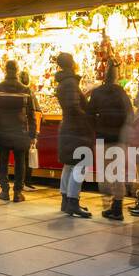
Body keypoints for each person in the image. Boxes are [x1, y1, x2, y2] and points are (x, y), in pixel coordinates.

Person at [86, 60, 133, 221]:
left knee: (106, 172)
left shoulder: (98, 92)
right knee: (117, 172)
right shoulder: (121, 92)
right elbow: (130, 114)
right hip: (119, 138)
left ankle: (110, 204)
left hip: (103, 137)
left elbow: (89, 114)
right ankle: (117, 205)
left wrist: (97, 127)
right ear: (117, 76)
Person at [0, 60, 35, 202]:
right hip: (20, 131)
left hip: (3, 130)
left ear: (4, 70)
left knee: (3, 160)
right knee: (20, 161)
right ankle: (18, 192)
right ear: (17, 70)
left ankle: (4, 191)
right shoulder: (25, 90)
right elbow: (31, 114)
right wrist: (32, 134)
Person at [54, 52, 93, 218]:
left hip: (68, 127)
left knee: (69, 165)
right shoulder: (70, 83)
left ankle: (66, 200)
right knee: (80, 164)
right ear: (72, 63)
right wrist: (88, 117)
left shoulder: (65, 82)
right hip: (76, 129)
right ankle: (72, 201)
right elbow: (73, 107)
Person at [18, 70, 41, 190]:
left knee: (21, 157)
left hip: (17, 128)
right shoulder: (29, 92)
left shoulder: (16, 91)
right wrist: (34, 133)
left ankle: (21, 183)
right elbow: (36, 111)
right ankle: (26, 182)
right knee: (27, 156)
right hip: (28, 128)